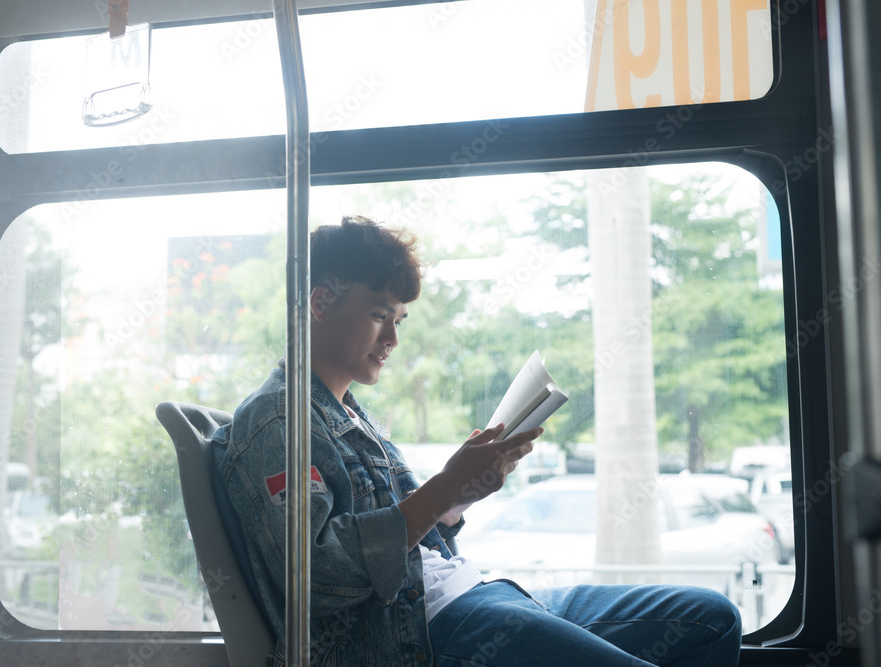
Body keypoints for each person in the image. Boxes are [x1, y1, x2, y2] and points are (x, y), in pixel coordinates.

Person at [212, 215, 742, 666]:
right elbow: (317, 577)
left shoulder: (348, 412)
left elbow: (409, 537)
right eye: (379, 316)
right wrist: (442, 489)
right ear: (320, 304)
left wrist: (460, 497)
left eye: (399, 320)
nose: (394, 340)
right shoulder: (278, 422)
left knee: (714, 619)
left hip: (473, 591)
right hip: (419, 631)